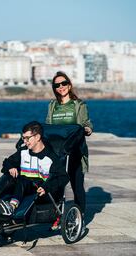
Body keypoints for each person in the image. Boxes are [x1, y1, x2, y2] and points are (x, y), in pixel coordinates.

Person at [0, 121, 68, 216]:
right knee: (8, 176)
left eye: (27, 138)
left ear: (37, 137)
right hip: (22, 187)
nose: (24, 141)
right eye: (23, 138)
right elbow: (7, 162)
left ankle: (11, 207)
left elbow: (63, 177)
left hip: (41, 191)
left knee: (22, 180)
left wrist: (47, 187)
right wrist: (11, 167)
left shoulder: (50, 157)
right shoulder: (23, 152)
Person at [46, 71, 93, 231]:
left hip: (75, 152)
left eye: (63, 83)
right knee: (57, 185)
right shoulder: (53, 105)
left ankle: (80, 217)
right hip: (57, 152)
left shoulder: (79, 105)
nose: (61, 87)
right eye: (57, 85)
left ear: (69, 85)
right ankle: (58, 216)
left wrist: (87, 129)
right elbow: (48, 126)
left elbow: (87, 123)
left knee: (76, 185)